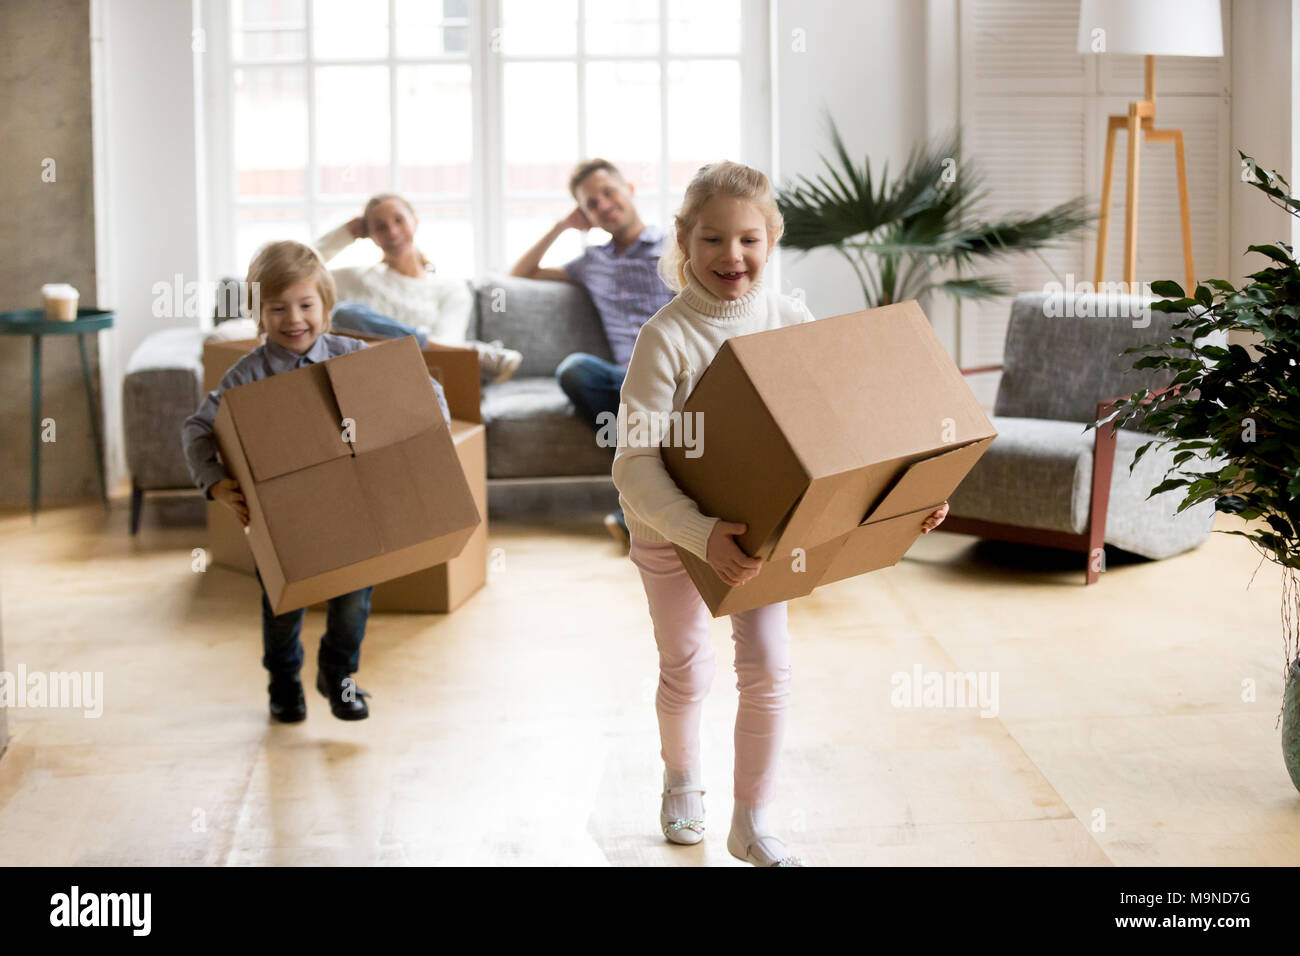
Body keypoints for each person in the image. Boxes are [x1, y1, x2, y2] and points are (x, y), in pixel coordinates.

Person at [612, 161, 951, 866]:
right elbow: (633, 464)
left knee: (767, 665)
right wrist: (699, 532)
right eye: (711, 240)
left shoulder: (787, 318)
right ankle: (681, 783)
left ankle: (752, 822)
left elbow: (843, 427)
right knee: (684, 664)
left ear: (770, 239)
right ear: (683, 239)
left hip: (760, 534)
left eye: (747, 240)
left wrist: (910, 493)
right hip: (673, 534)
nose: (730, 257)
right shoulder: (664, 338)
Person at [182, 240, 452, 723]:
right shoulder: (247, 377)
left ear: (326, 307)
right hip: (282, 523)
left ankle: (339, 675)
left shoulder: (351, 355)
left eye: (306, 305)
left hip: (357, 517)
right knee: (283, 610)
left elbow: (423, 387)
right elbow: (197, 428)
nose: (294, 319)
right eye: (277, 308)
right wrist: (215, 484)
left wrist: (429, 438)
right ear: (259, 315)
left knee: (353, 606)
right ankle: (283, 681)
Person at [509, 159, 674, 548]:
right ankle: (653, 495)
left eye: (608, 193)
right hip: (624, 379)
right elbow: (518, 273)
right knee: (574, 370)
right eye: (591, 204)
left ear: (629, 189)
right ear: (585, 215)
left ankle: (639, 502)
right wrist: (562, 227)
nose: (603, 205)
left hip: (674, 371)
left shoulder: (676, 245)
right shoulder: (591, 263)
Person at [317, 193, 523, 383]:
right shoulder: (357, 278)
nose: (393, 232)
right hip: (368, 375)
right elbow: (297, 269)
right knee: (343, 313)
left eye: (399, 220)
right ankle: (477, 353)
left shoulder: (450, 288)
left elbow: (448, 348)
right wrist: (343, 234)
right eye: (380, 227)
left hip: (425, 376)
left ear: (415, 221)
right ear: (370, 235)